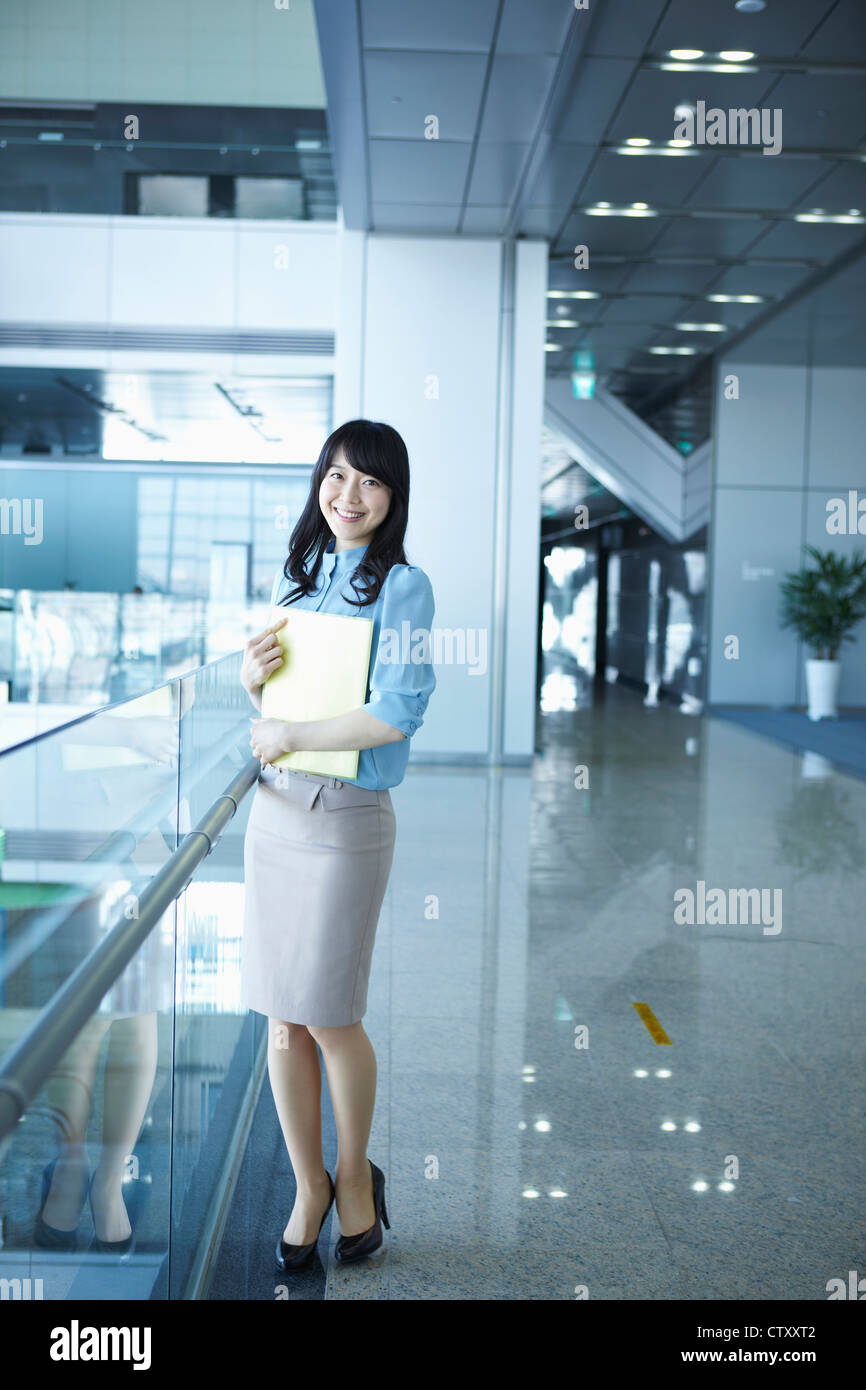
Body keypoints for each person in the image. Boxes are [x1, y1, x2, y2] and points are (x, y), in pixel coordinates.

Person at [240, 419, 436, 1270]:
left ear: (392, 498)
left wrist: (288, 730)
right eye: (336, 476)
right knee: (281, 1017)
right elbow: (270, 703)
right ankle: (308, 1182)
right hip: (275, 812)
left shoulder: (404, 587)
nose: (347, 496)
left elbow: (398, 711)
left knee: (329, 1013)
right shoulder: (300, 574)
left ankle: (356, 1176)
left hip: (346, 818)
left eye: (370, 483)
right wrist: (253, 685)